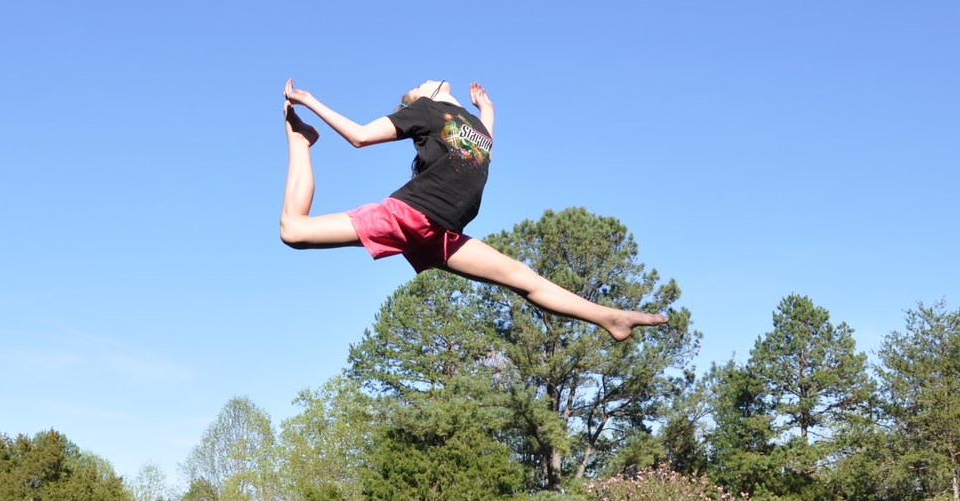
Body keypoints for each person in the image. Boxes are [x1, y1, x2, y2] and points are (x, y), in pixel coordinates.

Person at [281, 79, 669, 341]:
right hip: (413, 215)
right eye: (414, 88)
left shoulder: (474, 127)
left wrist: (487, 109)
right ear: (423, 97)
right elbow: (360, 136)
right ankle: (302, 140)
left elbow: (485, 143)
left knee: (523, 278)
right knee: (293, 230)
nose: (418, 83)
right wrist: (311, 102)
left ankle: (608, 317)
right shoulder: (428, 111)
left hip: (440, 231)